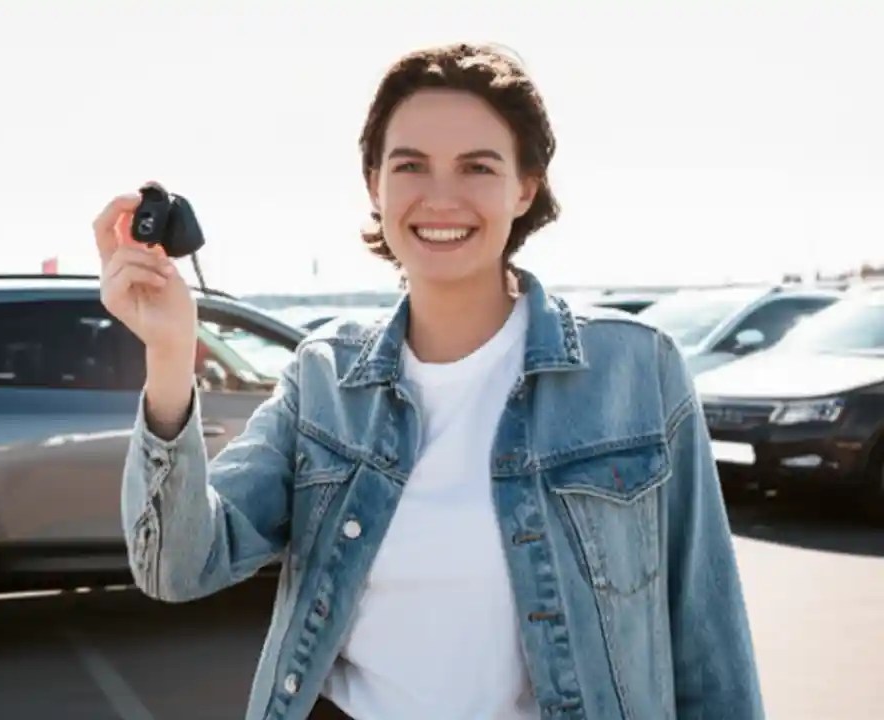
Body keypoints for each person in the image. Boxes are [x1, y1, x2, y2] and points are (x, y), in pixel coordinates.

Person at [94, 42, 764, 720]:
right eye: (410, 165)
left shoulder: (635, 371)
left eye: (478, 167)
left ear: (525, 187)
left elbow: (709, 646)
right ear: (375, 185)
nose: (441, 197)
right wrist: (172, 354)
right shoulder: (324, 381)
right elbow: (174, 567)